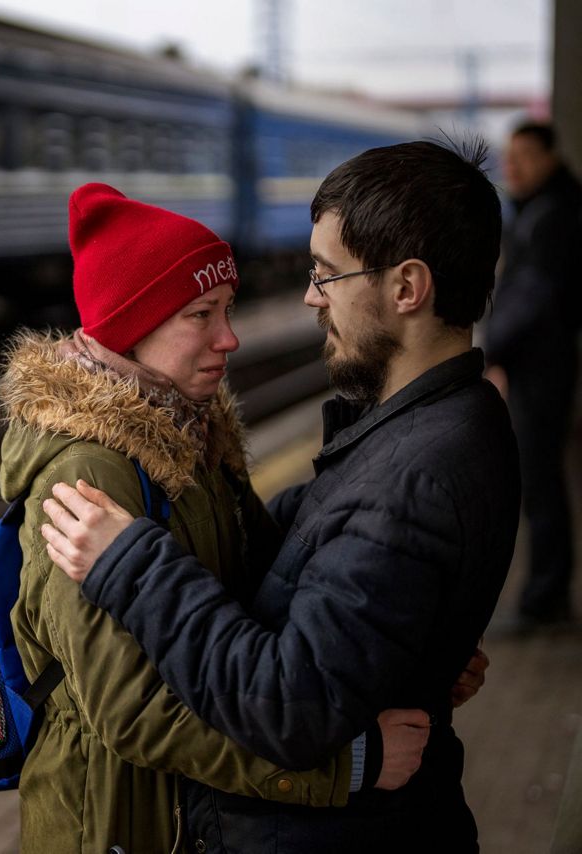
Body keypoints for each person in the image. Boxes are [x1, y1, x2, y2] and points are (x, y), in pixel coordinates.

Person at [41, 142, 517, 852]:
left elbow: (288, 704)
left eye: (327, 273)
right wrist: (413, 648)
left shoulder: (413, 473)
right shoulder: (436, 424)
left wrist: (132, 565)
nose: (311, 296)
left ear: (407, 289)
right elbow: (303, 556)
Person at [485, 121, 582, 630]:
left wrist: (491, 352)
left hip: (543, 366)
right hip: (538, 361)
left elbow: (532, 299)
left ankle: (545, 599)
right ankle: (546, 593)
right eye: (509, 155)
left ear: (550, 157)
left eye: (523, 155)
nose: (512, 165)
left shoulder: (554, 216)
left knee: (540, 480)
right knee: (540, 478)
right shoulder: (539, 210)